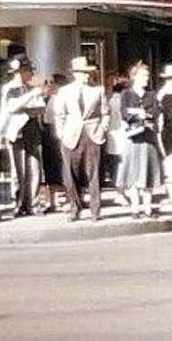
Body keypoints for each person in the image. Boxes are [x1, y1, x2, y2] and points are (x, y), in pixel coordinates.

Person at [54, 56, 110, 222]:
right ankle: (74, 207)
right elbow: (60, 114)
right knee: (71, 173)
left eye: (88, 72)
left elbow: (105, 113)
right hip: (71, 135)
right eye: (83, 73)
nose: (87, 75)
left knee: (94, 173)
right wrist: (61, 133)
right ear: (76, 74)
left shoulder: (98, 90)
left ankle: (95, 210)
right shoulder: (65, 91)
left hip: (93, 134)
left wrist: (102, 130)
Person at [0, 55, 47, 217]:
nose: (30, 74)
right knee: (19, 169)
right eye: (28, 70)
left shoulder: (29, 88)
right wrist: (31, 97)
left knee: (35, 167)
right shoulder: (10, 88)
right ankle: (19, 202)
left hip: (32, 129)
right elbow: (11, 107)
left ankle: (33, 203)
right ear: (20, 72)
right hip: (16, 131)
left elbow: (40, 107)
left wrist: (28, 102)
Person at [120, 62, 164, 219]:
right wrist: (139, 113)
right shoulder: (126, 94)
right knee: (133, 174)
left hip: (148, 139)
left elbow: (156, 111)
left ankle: (148, 209)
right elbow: (124, 113)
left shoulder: (152, 94)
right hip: (133, 139)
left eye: (147, 75)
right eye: (144, 75)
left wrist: (140, 113)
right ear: (135, 77)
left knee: (148, 175)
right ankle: (135, 208)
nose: (147, 78)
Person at [39, 73, 68, 213]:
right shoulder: (46, 99)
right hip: (48, 134)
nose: (49, 85)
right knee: (50, 167)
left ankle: (65, 196)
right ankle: (52, 199)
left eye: (52, 83)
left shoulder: (63, 99)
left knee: (60, 166)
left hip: (60, 133)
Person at [106, 76, 130, 205]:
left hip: (111, 138)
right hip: (122, 137)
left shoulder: (110, 101)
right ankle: (120, 193)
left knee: (115, 166)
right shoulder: (123, 102)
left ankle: (119, 191)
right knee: (121, 166)